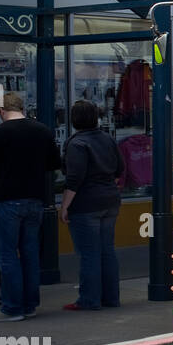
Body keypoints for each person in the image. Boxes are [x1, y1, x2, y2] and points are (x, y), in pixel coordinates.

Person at [0, 92, 60, 322]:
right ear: (22, 108)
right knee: (29, 253)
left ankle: (11, 308)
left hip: (7, 199)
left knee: (7, 255)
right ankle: (29, 304)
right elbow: (54, 163)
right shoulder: (42, 130)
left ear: (1, 111)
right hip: (35, 199)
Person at [60, 100, 125, 311]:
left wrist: (65, 206)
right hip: (110, 200)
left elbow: (74, 179)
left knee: (89, 253)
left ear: (74, 119)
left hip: (86, 204)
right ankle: (111, 298)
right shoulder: (107, 138)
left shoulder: (76, 144)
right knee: (107, 251)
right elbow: (120, 168)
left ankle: (89, 299)